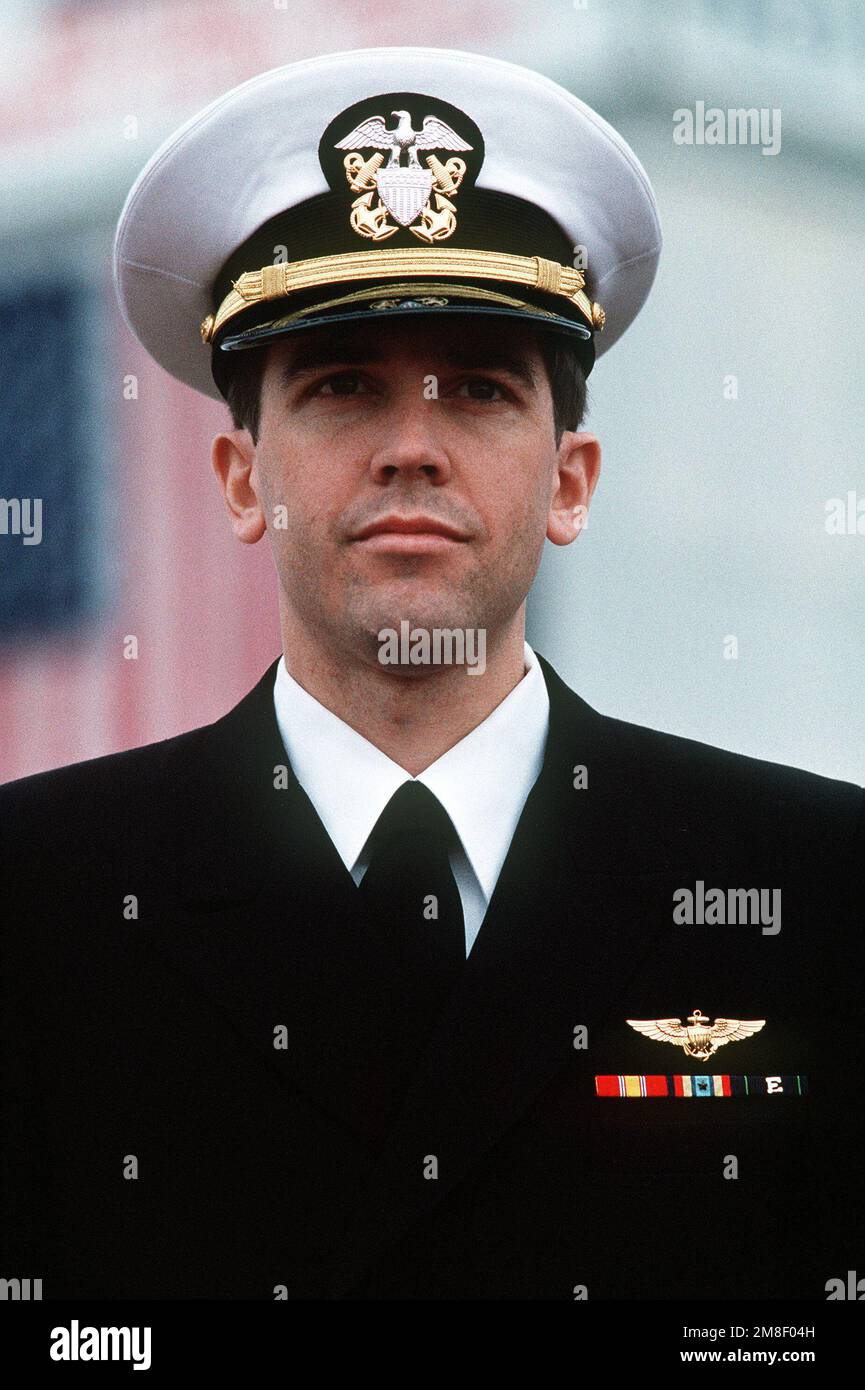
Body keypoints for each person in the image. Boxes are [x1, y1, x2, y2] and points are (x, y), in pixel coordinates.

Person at [1, 47, 861, 1302]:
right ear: (244, 482)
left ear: (571, 482)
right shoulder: (37, 906)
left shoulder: (814, 892)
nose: (411, 447)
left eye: (477, 389)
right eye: (345, 386)